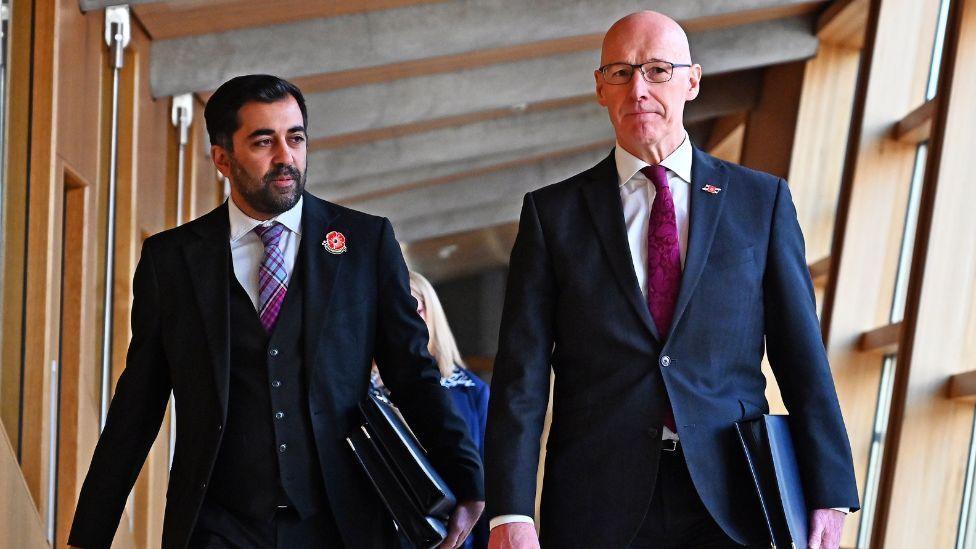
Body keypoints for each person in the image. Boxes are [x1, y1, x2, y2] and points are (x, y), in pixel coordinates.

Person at [484, 11, 859, 549]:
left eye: (658, 70)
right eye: (620, 72)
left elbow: (802, 356)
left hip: (737, 496)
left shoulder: (761, 202)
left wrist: (828, 488)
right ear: (599, 87)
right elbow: (520, 376)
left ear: (692, 81)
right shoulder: (552, 215)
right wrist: (510, 514)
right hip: (596, 500)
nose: (638, 88)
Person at [67, 74, 484, 549]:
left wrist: (467, 479)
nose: (286, 157)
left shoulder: (366, 243)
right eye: (264, 141)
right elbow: (137, 404)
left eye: (296, 138)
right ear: (221, 158)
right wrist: (89, 536)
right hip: (219, 525)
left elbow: (412, 372)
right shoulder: (174, 261)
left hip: (342, 522)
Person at [372, 271, 491, 549]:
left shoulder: (470, 390)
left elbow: (489, 483)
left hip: (453, 537)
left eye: (411, 308)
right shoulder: (358, 393)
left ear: (431, 312)